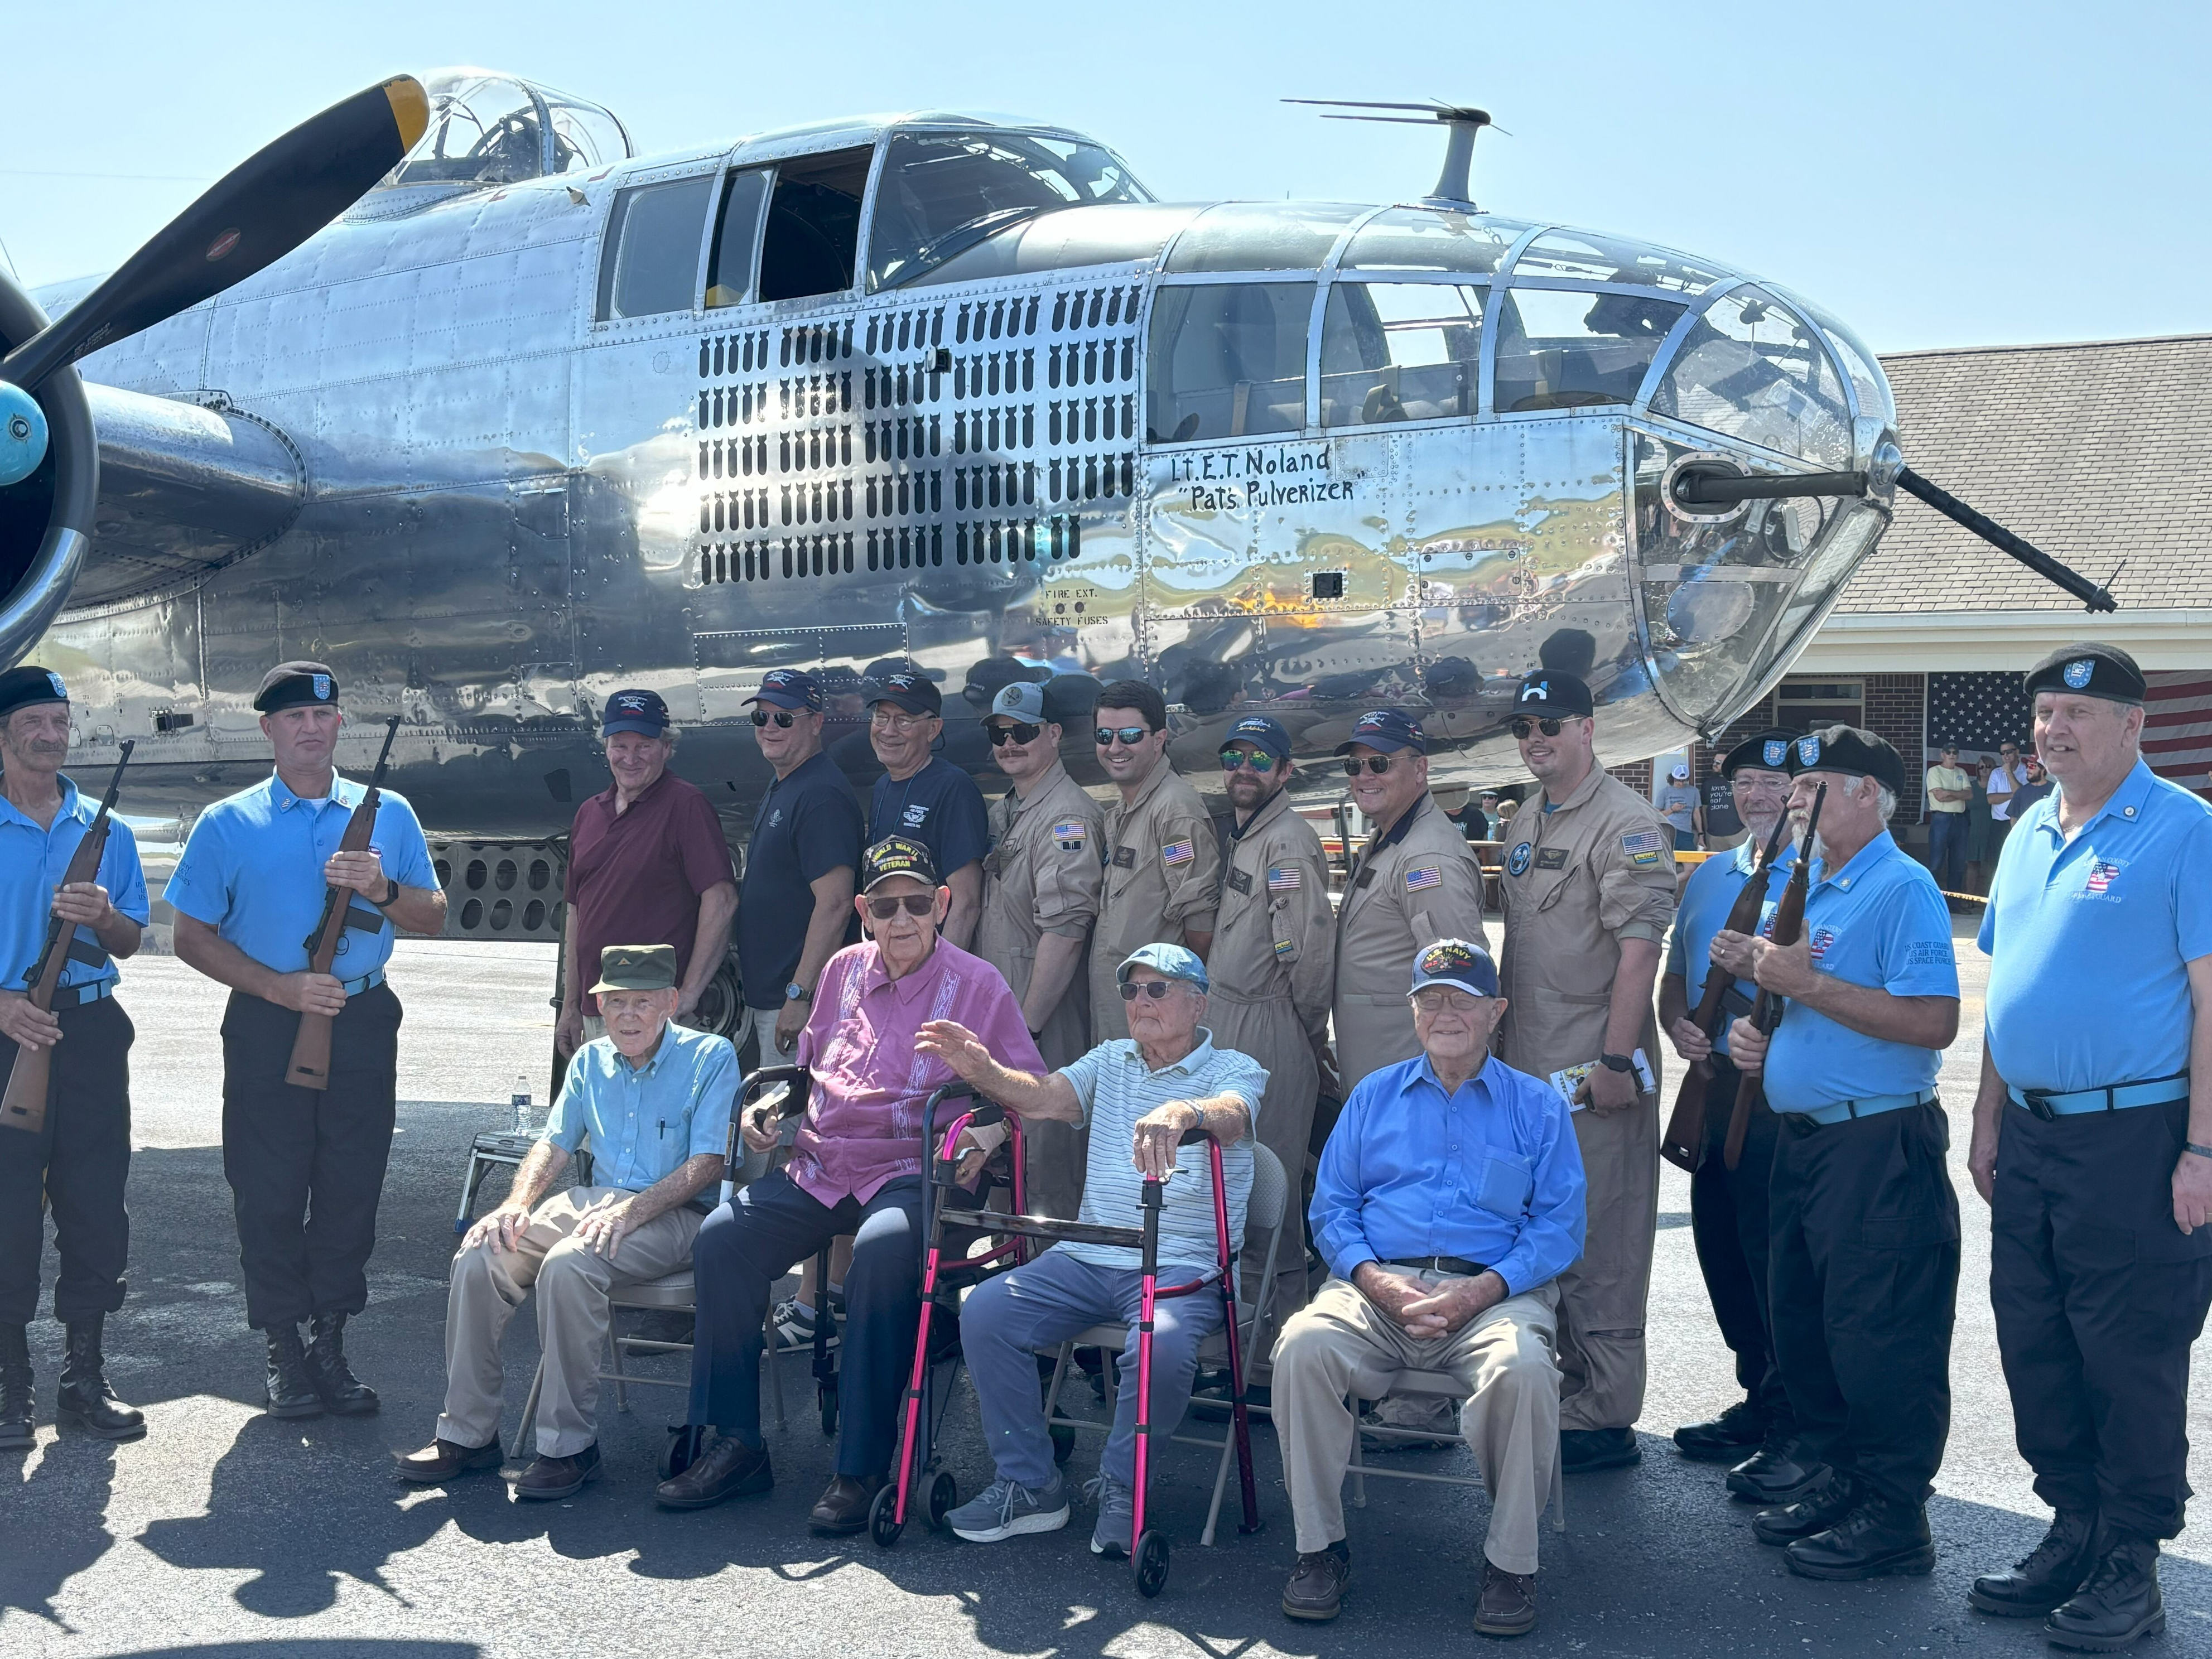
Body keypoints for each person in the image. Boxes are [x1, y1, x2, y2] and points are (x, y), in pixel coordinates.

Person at [653, 837, 1043, 1533]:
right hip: (825, 1163)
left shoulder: (978, 984)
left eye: (916, 903)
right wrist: (771, 1108)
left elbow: (1028, 1088)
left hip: (919, 1166)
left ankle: (862, 1467)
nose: (901, 918)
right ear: (863, 912)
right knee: (721, 1238)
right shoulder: (840, 970)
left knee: (882, 1251)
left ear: (942, 905)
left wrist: (986, 1130)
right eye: (885, 906)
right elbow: (808, 1075)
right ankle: (735, 1442)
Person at [1967, 644, 2212, 1651]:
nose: (2052, 730)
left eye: (2075, 713)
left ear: (2133, 724)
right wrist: (1986, 1116)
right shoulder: (2028, 825)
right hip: (2030, 1133)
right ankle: (2073, 1526)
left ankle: (2130, 1561)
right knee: (2034, 1339)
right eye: (2041, 713)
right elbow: (2006, 986)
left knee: (2129, 1349)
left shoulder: (2186, 828)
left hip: (2135, 1136)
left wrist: (2203, 1149)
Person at [1274, 940, 1585, 1638]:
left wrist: (1480, 1292)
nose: (1445, 1014)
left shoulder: (1537, 1106)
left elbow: (1559, 1226)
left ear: (1495, 1012)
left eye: (1461, 1000)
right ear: (1413, 1012)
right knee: (1301, 1345)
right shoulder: (1371, 1096)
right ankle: (1319, 1550)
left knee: (1523, 1368)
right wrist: (1376, 1281)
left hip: (1492, 1293)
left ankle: (1510, 1565)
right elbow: (1331, 1209)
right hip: (1377, 1287)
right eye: (1430, 999)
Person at [913, 943, 1266, 1559]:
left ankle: (1123, 1486)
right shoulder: (1110, 1059)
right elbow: (1041, 1096)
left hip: (1181, 1261)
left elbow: (1233, 1117)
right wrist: (983, 1069)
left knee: (1160, 1343)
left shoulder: (1235, 1067)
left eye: (1157, 989)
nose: (1141, 1001)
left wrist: (1185, 1111)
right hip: (1090, 1254)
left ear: (1198, 1004)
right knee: (987, 1310)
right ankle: (1029, 1483)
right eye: (1131, 990)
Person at [166, 662, 446, 1418]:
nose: (311, 729)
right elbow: (190, 935)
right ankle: (283, 1348)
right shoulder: (227, 822)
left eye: (323, 716)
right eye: (294, 717)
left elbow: (434, 912)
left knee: (352, 1184)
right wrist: (279, 988)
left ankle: (330, 1342)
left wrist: (383, 888)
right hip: (268, 1020)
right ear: (269, 729)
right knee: (269, 1187)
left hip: (362, 1016)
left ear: (339, 723)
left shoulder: (389, 814)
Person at [1726, 725, 1961, 1581]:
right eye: (1796, 783)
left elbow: (1933, 1020)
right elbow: (1803, 1006)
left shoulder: (1902, 887)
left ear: (1867, 793)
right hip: (1807, 1143)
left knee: (1880, 1331)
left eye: (1814, 783)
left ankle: (1894, 1513)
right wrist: (1762, 1042)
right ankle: (1842, 1478)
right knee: (1807, 1321)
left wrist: (1805, 985)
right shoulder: (1816, 883)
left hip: (1876, 1145)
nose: (1793, 796)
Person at [398, 944, 732, 1499]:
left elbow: (709, 1163)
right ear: (599, 1006)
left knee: (569, 1264)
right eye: (615, 1002)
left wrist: (631, 1210)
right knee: (482, 1252)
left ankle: (568, 1447)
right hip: (592, 1202)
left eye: (642, 1002)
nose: (627, 1015)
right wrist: (515, 1204)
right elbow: (553, 1144)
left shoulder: (709, 1055)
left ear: (671, 1002)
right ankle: (468, 1434)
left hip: (675, 1213)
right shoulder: (589, 1060)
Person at [1495, 672, 1676, 1475]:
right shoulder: (1528, 815)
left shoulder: (1626, 822)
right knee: (1547, 1227)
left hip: (1594, 1065)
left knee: (1604, 1232)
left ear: (1587, 728)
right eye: (1523, 728)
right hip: (1532, 1064)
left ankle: (1604, 1412)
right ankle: (1565, 1389)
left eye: (1550, 725)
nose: (1535, 740)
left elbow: (1639, 952)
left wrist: (1614, 1061)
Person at [0, 667, 151, 1447]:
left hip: (90, 1029)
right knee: (5, 1210)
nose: (50, 735)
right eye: (34, 721)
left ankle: (84, 1375)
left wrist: (105, 915)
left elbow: (131, 939)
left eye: (60, 721)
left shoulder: (106, 828)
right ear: (3, 734)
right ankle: (8, 1382)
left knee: (96, 1205)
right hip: (5, 1033)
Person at [1656, 729, 1799, 1480]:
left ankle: (1792, 1415)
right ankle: (1756, 1392)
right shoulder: (1711, 875)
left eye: (1773, 783)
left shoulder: (1816, 875)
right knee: (1722, 1250)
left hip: (1778, 1099)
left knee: (1777, 1256)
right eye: (1744, 782)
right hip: (1712, 1089)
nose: (1757, 795)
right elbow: (1675, 975)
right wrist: (1676, 1023)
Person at [1198, 716, 1335, 1397]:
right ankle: (1245, 1356)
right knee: (1235, 1197)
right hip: (1233, 1022)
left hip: (1268, 1024)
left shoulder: (1286, 842)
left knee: (1267, 1206)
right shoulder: (1249, 833)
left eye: (1259, 758)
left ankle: (1272, 1371)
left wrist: (1302, 1035)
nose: (1243, 768)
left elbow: (1305, 958)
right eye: (1234, 756)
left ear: (1284, 771)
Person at [972, 679, 1106, 1219]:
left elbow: (1066, 932)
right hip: (1007, 1017)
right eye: (1000, 734)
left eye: (1023, 732)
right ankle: (1014, 1263)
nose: (1010, 743)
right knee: (1006, 1163)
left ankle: (1050, 1265)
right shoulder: (1011, 810)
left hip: (1042, 1020)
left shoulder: (1065, 816)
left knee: (1046, 1166)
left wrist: (1024, 1031)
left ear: (1053, 734)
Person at [555, 688, 736, 1057]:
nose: (630, 758)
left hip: (654, 1015)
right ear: (606, 748)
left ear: (666, 748)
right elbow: (576, 913)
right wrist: (570, 1005)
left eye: (644, 746)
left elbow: (722, 902)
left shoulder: (686, 806)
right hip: (598, 1008)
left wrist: (688, 995)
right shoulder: (590, 813)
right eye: (620, 745)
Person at [1331, 710, 1487, 1094]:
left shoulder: (1427, 858)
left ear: (1420, 769)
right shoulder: (1393, 838)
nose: (1365, 776)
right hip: (1381, 1064)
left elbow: (1458, 982)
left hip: (1411, 1075)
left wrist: (1450, 1085)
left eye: (1380, 764)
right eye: (1355, 765)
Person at [734, 668, 862, 1070]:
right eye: (761, 717)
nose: (770, 727)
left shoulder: (820, 794)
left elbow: (836, 903)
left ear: (816, 723)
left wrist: (800, 994)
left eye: (785, 718)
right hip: (772, 997)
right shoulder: (786, 783)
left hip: (797, 1003)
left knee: (787, 1109)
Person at [1088, 680, 1221, 1044]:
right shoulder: (1125, 809)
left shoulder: (1174, 810)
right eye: (1104, 735)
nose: (1115, 748)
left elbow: (1200, 925)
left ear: (1159, 738)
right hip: (1127, 1005)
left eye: (1130, 736)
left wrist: (1177, 1002)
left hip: (1156, 1011)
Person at [865, 668, 989, 949]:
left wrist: (941, 972)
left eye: (904, 720)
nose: (888, 731)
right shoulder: (883, 786)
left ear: (933, 729)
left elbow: (967, 902)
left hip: (930, 960)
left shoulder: (953, 788)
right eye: (881, 718)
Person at [1922, 742, 1971, 898]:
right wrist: (1959, 794)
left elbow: (1969, 795)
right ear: (1942, 754)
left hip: (1960, 820)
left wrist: (1949, 793)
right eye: (1948, 752)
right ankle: (1930, 900)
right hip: (1941, 819)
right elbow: (1940, 797)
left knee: (1958, 864)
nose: (1952, 755)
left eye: (1955, 752)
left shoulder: (1961, 772)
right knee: (1936, 863)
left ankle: (1954, 903)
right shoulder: (1934, 771)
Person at [1986, 739, 2027, 857]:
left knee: (2016, 857)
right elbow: (1991, 799)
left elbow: (2023, 797)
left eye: (2009, 752)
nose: (2006, 755)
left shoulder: (2027, 771)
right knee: (1996, 859)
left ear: (2017, 752)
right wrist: (2013, 795)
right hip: (1999, 823)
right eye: (2003, 753)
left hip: (2019, 822)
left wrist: (2009, 773)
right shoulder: (1996, 773)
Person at [1964, 758, 1997, 893]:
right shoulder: (1970, 787)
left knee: (1993, 866)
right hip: (1974, 831)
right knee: (1972, 865)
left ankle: (1991, 898)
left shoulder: (1998, 786)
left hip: (1993, 831)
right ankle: (1969, 897)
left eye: (1988, 767)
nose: (1984, 770)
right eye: (1981, 767)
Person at [1699, 758, 1745, 852]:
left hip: (1739, 833)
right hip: (1714, 835)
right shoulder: (1708, 784)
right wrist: (1707, 831)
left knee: (1741, 861)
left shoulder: (1740, 782)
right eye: (1714, 761)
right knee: (1716, 861)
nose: (1715, 764)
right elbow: (1704, 809)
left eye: (1719, 762)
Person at [1657, 761, 1700, 852]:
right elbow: (1656, 815)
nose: (1681, 783)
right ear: (1673, 778)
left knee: (1690, 860)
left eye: (1684, 781)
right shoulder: (1664, 792)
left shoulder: (1694, 791)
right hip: (1669, 831)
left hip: (1686, 832)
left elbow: (1697, 814)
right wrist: (1672, 809)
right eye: (1678, 781)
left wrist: (1701, 834)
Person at [2008, 754, 2053, 819]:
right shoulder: (2021, 791)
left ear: (2043, 769)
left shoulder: (2055, 790)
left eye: (2032, 766)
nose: (2028, 770)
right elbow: (2013, 818)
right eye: (2027, 766)